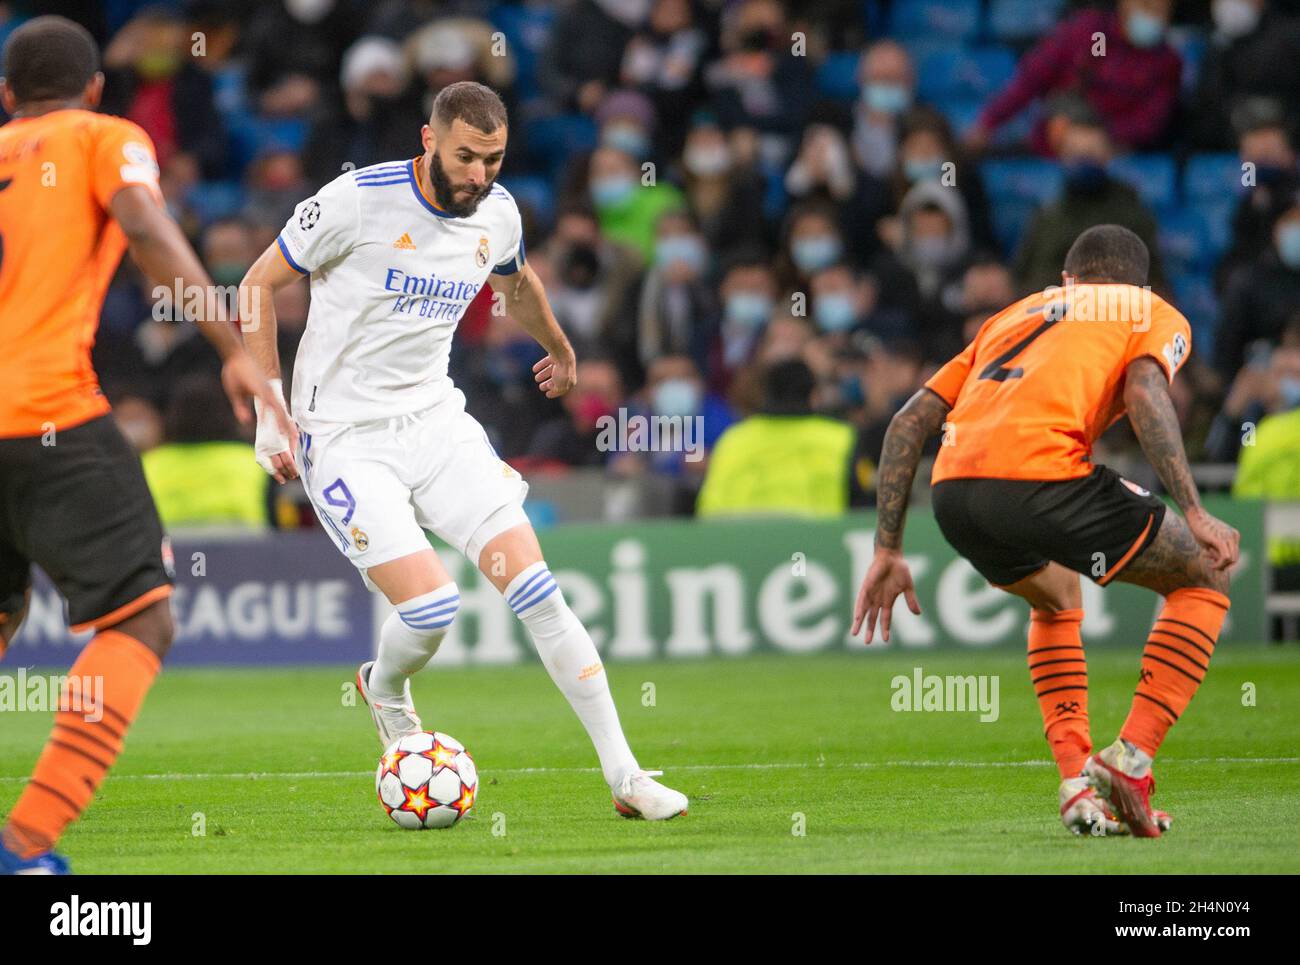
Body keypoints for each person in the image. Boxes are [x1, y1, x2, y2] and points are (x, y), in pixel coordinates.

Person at [240, 81, 688, 821]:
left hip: (437, 424)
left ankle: (627, 775)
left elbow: (516, 281)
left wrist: (560, 346)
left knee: (539, 590)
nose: (480, 174)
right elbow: (257, 286)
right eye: (466, 156)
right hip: (346, 437)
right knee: (433, 605)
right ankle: (384, 687)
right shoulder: (357, 200)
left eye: (494, 159)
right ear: (428, 139)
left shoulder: (500, 212)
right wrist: (270, 409)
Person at [0, 16, 289, 874]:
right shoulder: (103, 136)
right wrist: (235, 350)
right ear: (93, 88)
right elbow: (148, 231)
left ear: (8, 97)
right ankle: (24, 845)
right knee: (143, 616)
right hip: (45, 412)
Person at [852, 225, 1239, 839]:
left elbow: (906, 423)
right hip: (1041, 479)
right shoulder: (1150, 309)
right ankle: (1131, 759)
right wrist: (1193, 509)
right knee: (1206, 574)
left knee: (1057, 596)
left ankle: (1077, 786)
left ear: (1068, 281)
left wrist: (888, 549)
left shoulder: (1012, 315)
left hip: (954, 493)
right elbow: (1145, 391)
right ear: (1138, 284)